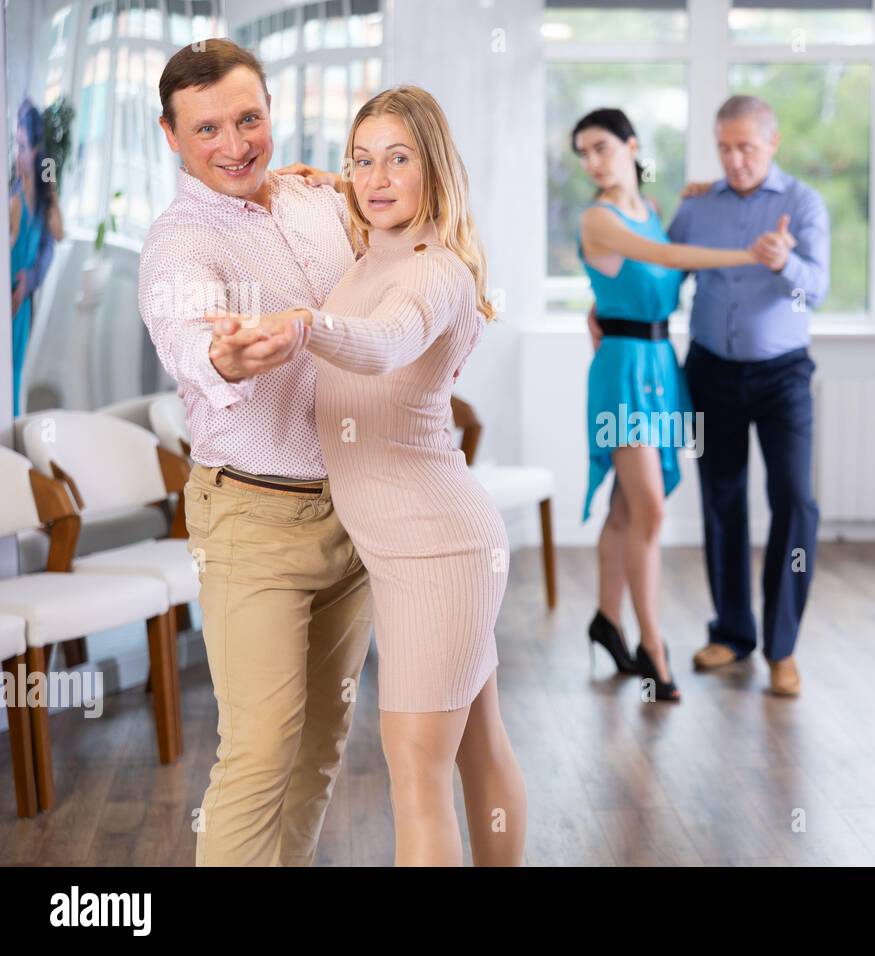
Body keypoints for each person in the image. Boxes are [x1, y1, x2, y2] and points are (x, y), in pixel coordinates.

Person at [208, 86, 527, 866]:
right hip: (413, 544)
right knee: (478, 745)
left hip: (434, 548)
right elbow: (352, 204)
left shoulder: (436, 272)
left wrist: (305, 325)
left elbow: (385, 343)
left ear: (435, 167)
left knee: (417, 774)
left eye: (399, 159)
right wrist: (320, 180)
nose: (378, 177)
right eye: (364, 159)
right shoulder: (376, 243)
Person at [140, 38, 373, 866]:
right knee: (259, 754)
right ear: (171, 136)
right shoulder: (178, 242)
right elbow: (185, 330)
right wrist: (224, 354)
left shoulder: (314, 200)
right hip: (252, 519)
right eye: (207, 130)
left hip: (354, 513)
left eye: (249, 119)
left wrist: (341, 180)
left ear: (270, 112)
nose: (235, 145)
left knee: (320, 747)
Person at [571, 107, 777, 702]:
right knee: (652, 513)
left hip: (662, 366)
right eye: (583, 153)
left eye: (602, 147)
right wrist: (748, 255)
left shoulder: (655, 210)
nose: (592, 161)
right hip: (623, 373)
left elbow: (650, 275)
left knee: (626, 507)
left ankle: (606, 619)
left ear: (632, 146)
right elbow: (666, 262)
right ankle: (652, 647)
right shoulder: (598, 218)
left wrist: (703, 192)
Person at [668, 95, 829, 697]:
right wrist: (609, 307)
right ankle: (733, 633)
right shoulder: (696, 207)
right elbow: (664, 270)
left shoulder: (802, 203)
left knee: (794, 500)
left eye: (747, 148)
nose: (735, 160)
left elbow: (818, 288)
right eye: (725, 148)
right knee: (721, 501)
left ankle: (782, 648)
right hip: (710, 371)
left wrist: (785, 262)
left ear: (773, 144)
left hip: (783, 375)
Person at [9, 97, 64, 413]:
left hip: (21, 296)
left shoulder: (37, 197)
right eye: (15, 146)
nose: (18, 156)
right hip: (13, 294)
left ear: (34, 150)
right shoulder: (15, 196)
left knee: (14, 372)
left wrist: (51, 186)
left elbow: (58, 233)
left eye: (22, 146)